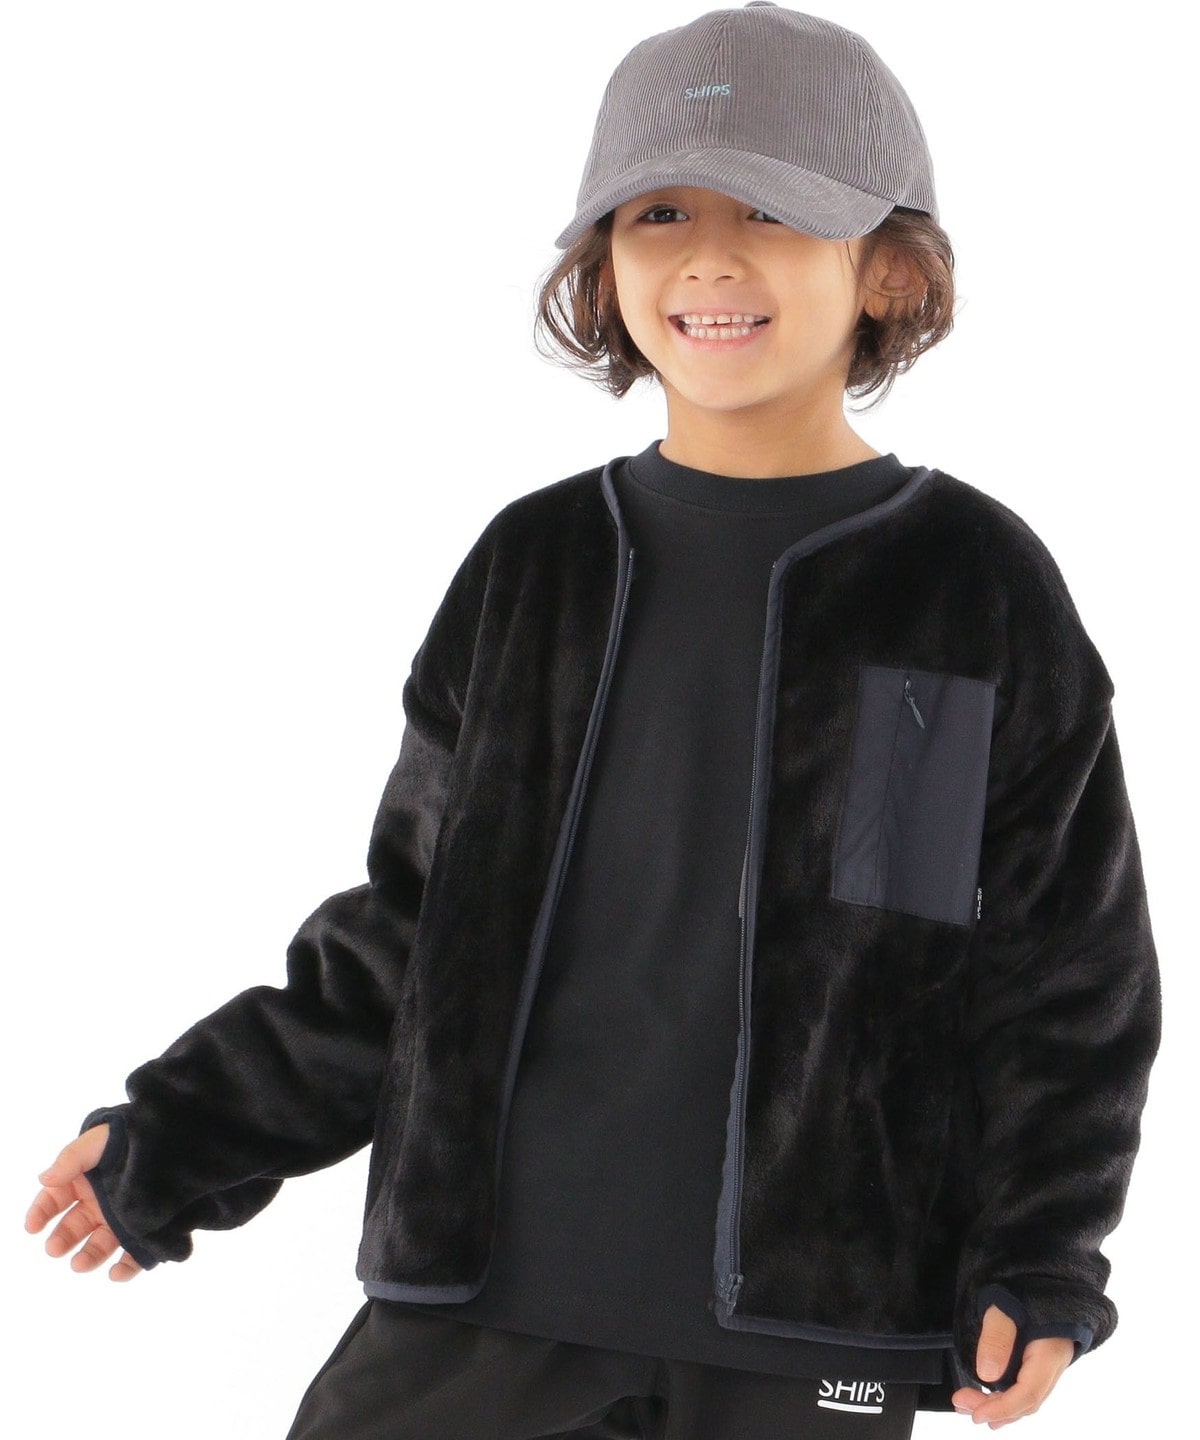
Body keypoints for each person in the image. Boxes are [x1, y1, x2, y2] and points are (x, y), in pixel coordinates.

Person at [25, 6, 1161, 1438]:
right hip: (481, 1300)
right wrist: (188, 1131)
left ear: (887, 266)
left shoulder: (971, 586)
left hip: (818, 1336)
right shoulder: (535, 566)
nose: (709, 259)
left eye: (770, 211)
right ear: (602, 262)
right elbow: (409, 934)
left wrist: (1042, 1255)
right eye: (658, 213)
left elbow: (1069, 975)